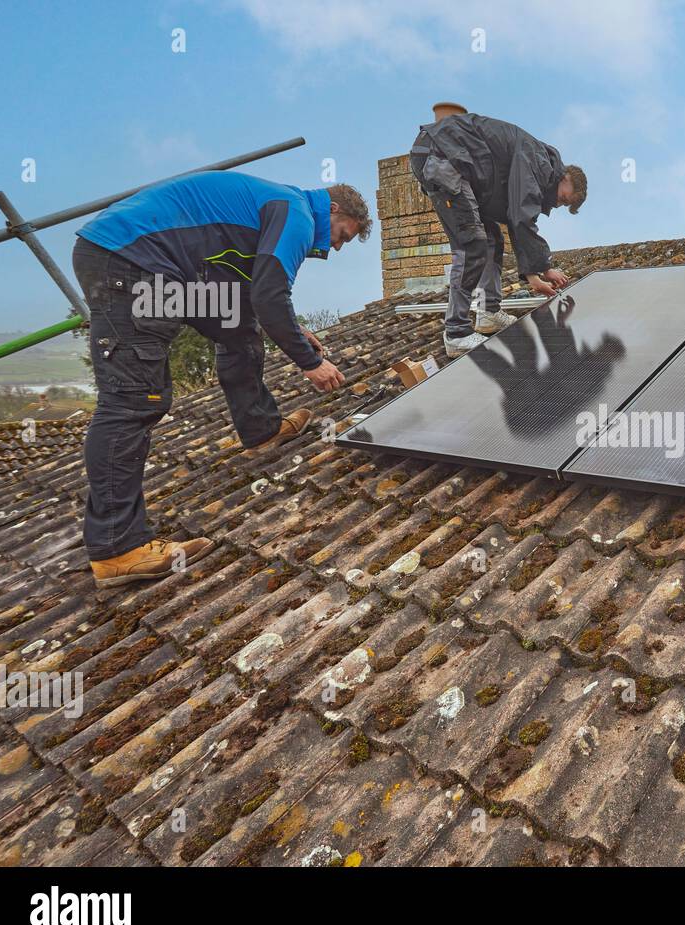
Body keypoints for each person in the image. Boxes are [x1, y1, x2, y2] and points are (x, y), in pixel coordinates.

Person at [71, 170, 370, 587]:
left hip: (162, 264)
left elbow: (250, 292)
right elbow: (270, 292)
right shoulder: (299, 213)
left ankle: (262, 429)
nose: (335, 246)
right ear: (333, 210)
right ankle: (117, 548)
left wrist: (291, 329)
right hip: (129, 260)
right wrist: (309, 362)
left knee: (240, 331)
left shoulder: (279, 204)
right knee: (134, 400)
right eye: (341, 235)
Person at [409, 111, 587, 356]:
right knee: (472, 244)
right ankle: (456, 332)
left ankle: (488, 312)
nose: (558, 203)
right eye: (564, 198)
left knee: (492, 239)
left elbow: (518, 218)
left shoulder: (537, 165)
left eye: (563, 205)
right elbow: (522, 217)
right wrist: (538, 273)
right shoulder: (539, 162)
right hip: (442, 156)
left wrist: (540, 271)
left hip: (455, 163)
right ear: (566, 176)